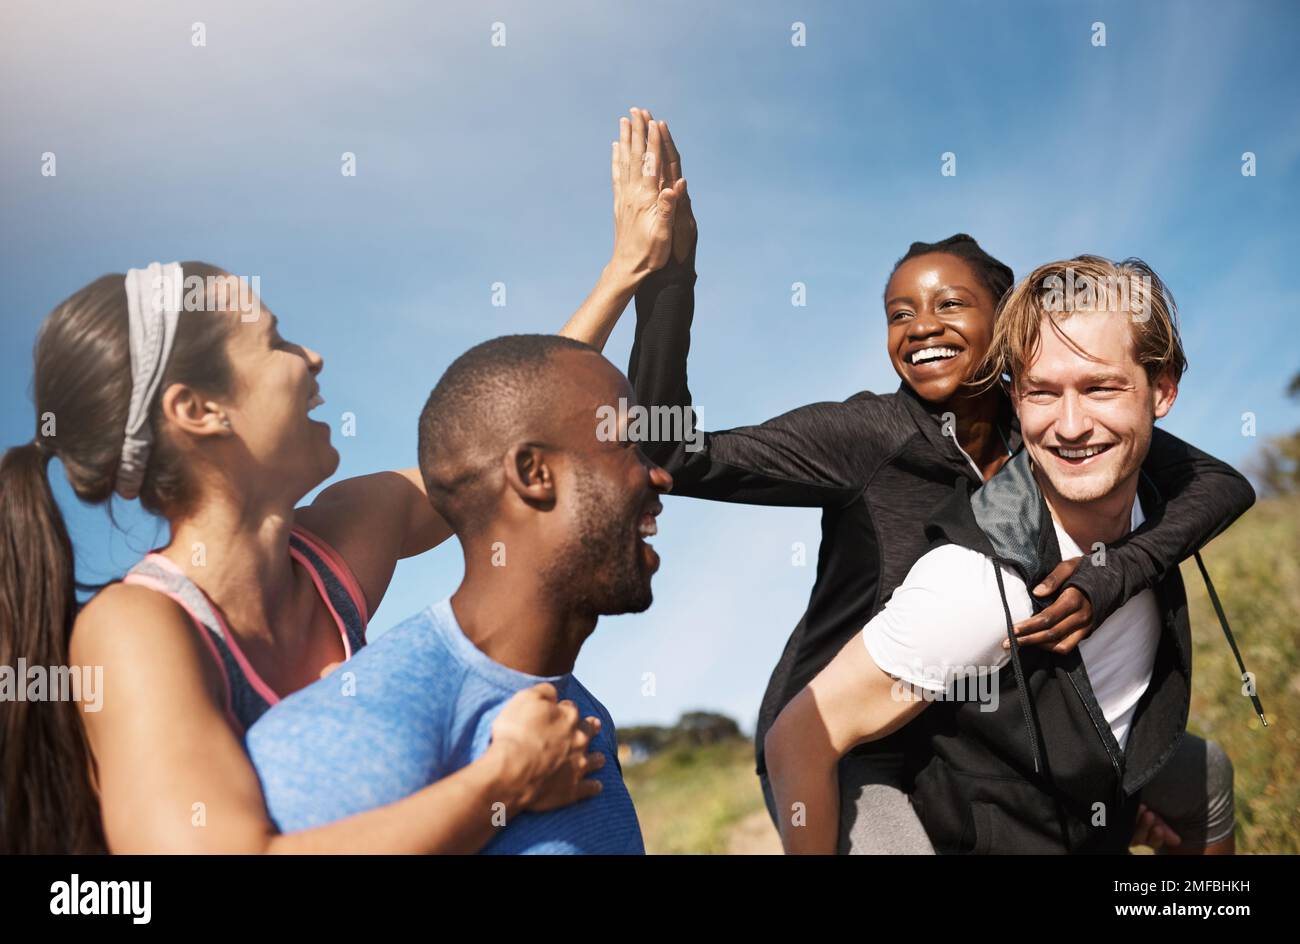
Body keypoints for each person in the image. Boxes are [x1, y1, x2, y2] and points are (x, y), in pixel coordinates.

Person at [0, 109, 684, 853]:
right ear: (198, 410)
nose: (312, 356)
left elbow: (497, 451)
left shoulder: (340, 543)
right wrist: (502, 781)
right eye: (274, 341)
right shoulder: (135, 630)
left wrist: (627, 272)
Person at [617, 117, 1255, 852]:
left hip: (972, 720)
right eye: (899, 313)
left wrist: (1116, 571)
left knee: (1202, 776)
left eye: (949, 304)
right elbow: (672, 451)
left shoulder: (1051, 426)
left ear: (1007, 319)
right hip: (850, 740)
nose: (920, 327)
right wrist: (669, 277)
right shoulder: (865, 437)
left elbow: (1219, 483)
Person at [765, 256, 1254, 854]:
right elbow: (798, 740)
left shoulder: (1164, 495)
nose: (1072, 426)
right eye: (1042, 393)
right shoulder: (972, 588)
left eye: (1100, 387)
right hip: (985, 814)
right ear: (1015, 402)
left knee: (1207, 774)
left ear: (1163, 390)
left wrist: (1117, 570)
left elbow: (1231, 486)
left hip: (1093, 767)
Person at [245, 335, 672, 854]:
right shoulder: (363, 723)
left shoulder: (578, 714)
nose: (660, 476)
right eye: (628, 444)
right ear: (534, 474)